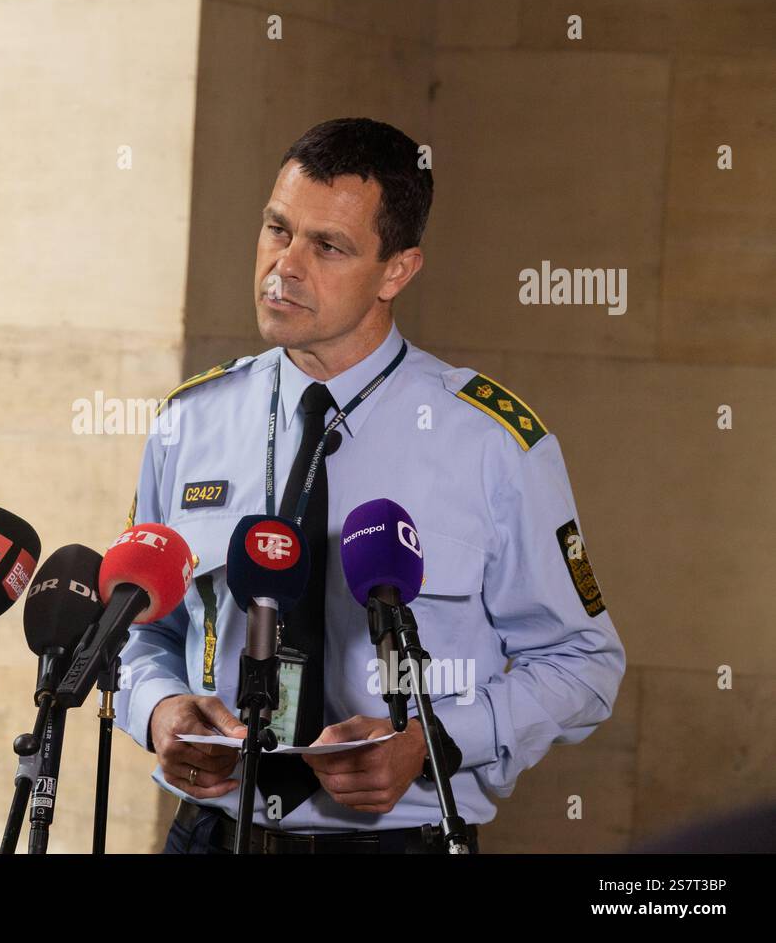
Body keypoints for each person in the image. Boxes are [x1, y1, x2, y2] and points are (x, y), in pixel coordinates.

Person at [114, 117, 626, 854]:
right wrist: (158, 711)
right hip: (211, 833)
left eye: (327, 246)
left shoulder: (491, 442)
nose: (282, 267)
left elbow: (584, 664)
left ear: (397, 270)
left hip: (398, 842)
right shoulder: (189, 422)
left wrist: (432, 741)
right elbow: (137, 626)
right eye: (276, 229)